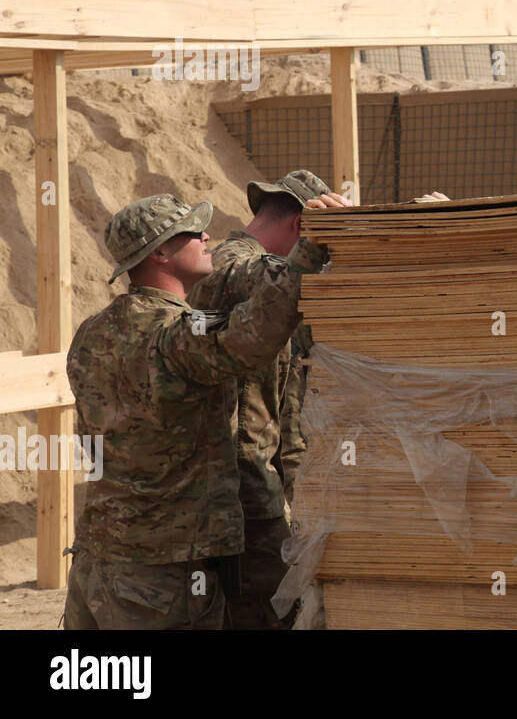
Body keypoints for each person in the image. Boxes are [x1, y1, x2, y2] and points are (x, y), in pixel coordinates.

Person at [63, 194, 327, 629]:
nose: (208, 236)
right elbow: (255, 333)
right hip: (163, 573)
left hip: (96, 562)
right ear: (161, 253)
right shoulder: (175, 335)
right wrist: (310, 251)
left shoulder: (92, 331)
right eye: (192, 232)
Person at [187, 170, 349, 629]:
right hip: (236, 484)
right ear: (302, 227)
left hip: (251, 478)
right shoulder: (229, 266)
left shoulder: (267, 278)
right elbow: (270, 281)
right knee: (272, 606)